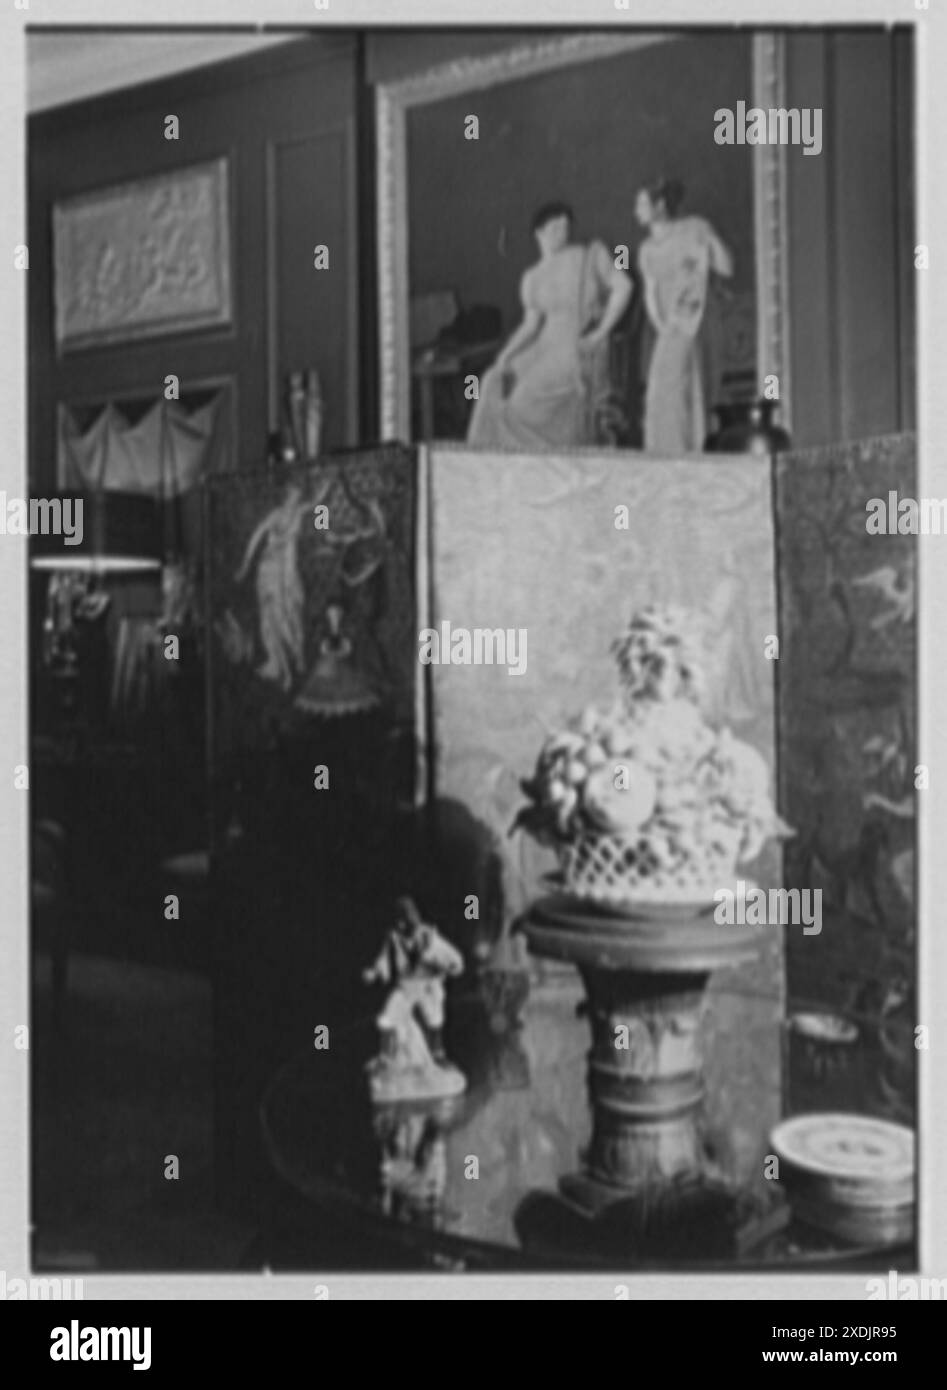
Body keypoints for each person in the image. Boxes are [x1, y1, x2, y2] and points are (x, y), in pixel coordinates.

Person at [466, 201, 633, 450]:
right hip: (543, 346)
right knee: (492, 380)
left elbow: (623, 286)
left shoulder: (589, 255)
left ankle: (542, 457)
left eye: (566, 227)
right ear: (539, 233)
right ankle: (491, 464)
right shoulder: (532, 277)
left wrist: (601, 331)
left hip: (575, 347)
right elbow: (531, 325)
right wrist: (506, 355)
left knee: (521, 405)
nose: (562, 233)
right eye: (555, 227)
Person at [635, 177, 733, 454]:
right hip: (670, 328)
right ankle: (669, 454)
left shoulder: (694, 229)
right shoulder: (646, 250)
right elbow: (651, 295)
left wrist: (710, 240)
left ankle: (681, 452)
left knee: (678, 388)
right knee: (661, 389)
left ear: (661, 205)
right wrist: (664, 326)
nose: (637, 210)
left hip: (698, 320)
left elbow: (725, 268)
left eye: (643, 203)